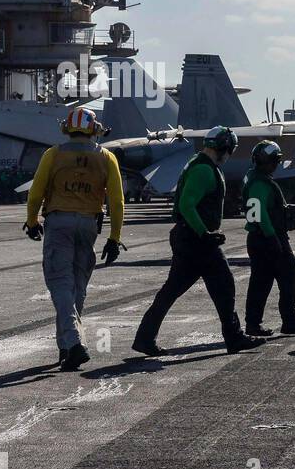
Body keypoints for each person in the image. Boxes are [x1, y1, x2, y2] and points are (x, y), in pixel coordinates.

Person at [132, 127, 264, 356]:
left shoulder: (198, 163)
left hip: (190, 238)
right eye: (230, 150)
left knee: (173, 290)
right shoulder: (204, 169)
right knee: (224, 285)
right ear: (224, 148)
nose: (229, 155)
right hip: (198, 241)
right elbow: (186, 205)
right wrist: (205, 233)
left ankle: (144, 338)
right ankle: (234, 338)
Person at [23, 108, 126, 371]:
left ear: (67, 129)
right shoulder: (107, 157)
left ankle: (75, 342)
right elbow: (116, 201)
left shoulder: (53, 154)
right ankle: (66, 349)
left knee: (60, 283)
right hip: (89, 225)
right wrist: (114, 238)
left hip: (59, 223)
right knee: (77, 286)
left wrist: (33, 221)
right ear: (94, 130)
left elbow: (35, 193)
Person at [242, 140, 295, 338]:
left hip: (261, 239)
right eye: (275, 161)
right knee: (287, 278)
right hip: (268, 238)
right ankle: (289, 322)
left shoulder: (255, 178)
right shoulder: (259, 183)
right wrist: (272, 237)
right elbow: (259, 214)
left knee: (261, 282)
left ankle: (254, 324)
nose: (275, 165)